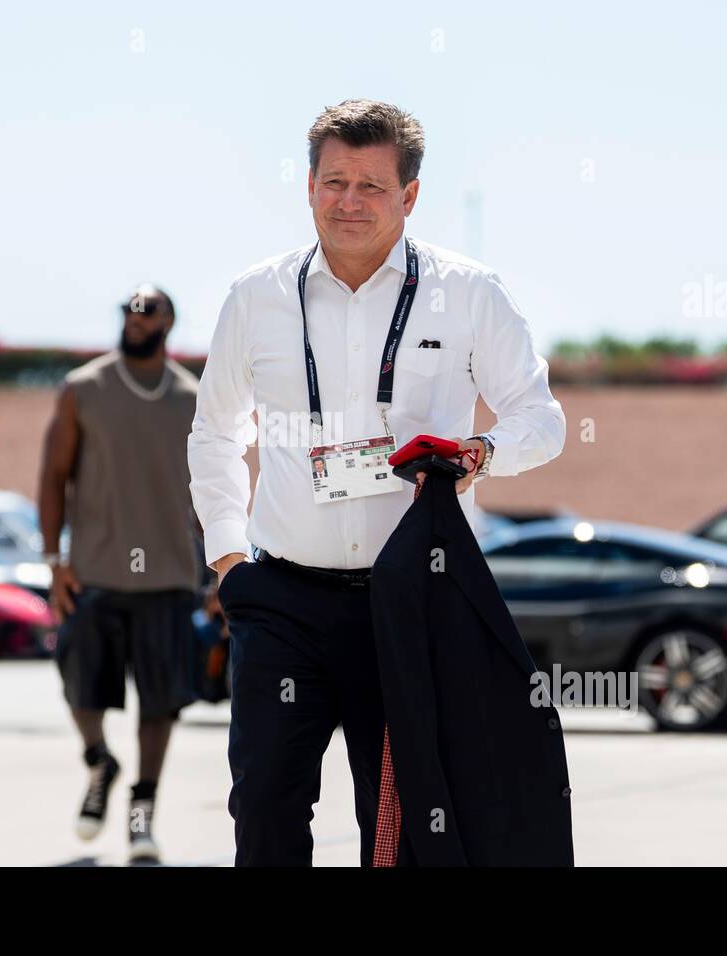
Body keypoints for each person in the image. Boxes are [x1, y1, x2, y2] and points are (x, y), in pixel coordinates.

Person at [188, 99, 567, 866]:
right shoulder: (255, 296)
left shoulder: (467, 292)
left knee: (397, 830)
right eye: (334, 182)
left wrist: (483, 452)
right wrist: (230, 561)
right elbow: (216, 432)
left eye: (370, 186)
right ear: (308, 186)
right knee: (263, 813)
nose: (349, 202)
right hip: (282, 601)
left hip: (412, 604)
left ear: (410, 196)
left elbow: (542, 419)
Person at [38, 284, 201, 864]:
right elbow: (54, 474)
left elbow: (210, 493)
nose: (136, 320)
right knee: (81, 689)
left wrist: (214, 576)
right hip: (95, 575)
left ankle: (141, 814)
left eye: (147, 311)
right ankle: (98, 762)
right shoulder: (84, 388)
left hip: (170, 579)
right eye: (129, 311)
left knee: (159, 707)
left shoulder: (191, 397)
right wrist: (54, 561)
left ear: (169, 321)